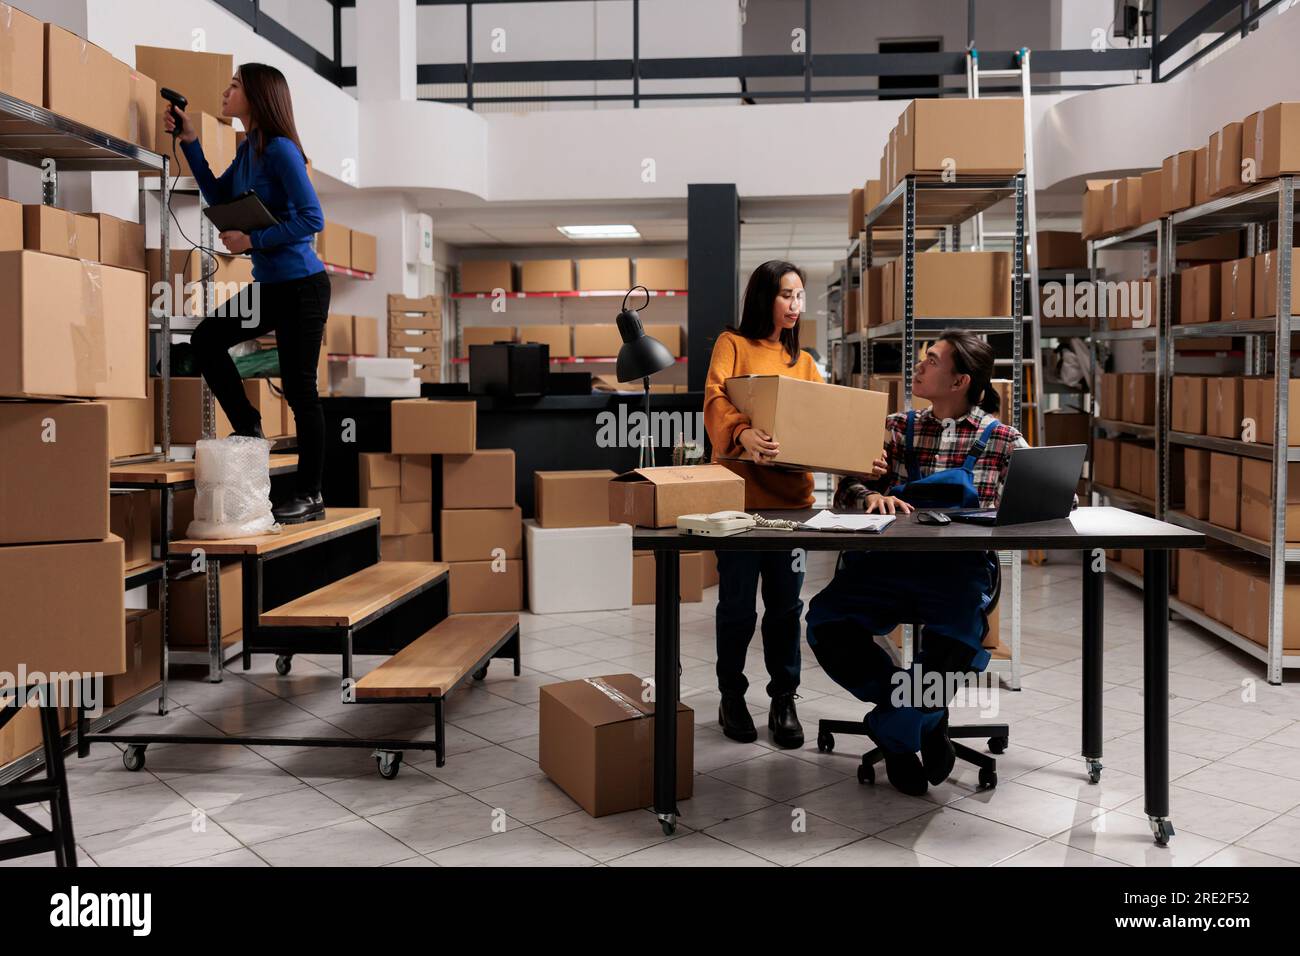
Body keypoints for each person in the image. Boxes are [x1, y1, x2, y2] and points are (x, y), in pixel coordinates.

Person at [807, 330, 1026, 796]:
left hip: (957, 574)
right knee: (826, 622)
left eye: (931, 360)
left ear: (959, 380)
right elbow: (847, 484)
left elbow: (1049, 499)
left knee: (955, 645)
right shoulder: (895, 426)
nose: (918, 366)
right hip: (886, 566)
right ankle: (922, 719)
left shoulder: (1003, 440)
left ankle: (897, 733)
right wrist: (870, 493)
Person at [704, 261, 878, 747]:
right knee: (737, 606)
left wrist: (859, 454)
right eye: (786, 295)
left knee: (784, 608)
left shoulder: (803, 361)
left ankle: (784, 699)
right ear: (764, 298)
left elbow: (825, 423)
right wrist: (742, 431)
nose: (795, 305)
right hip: (738, 502)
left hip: (793, 506)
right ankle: (731, 696)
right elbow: (715, 399)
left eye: (800, 296)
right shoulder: (732, 344)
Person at [165, 63, 329, 524]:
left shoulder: (280, 151)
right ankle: (249, 427)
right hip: (272, 287)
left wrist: (252, 241)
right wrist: (191, 141)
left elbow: (313, 218)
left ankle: (312, 495)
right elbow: (218, 196)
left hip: (302, 287)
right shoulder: (249, 151)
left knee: (301, 389)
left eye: (234, 85)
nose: (225, 90)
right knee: (206, 340)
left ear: (256, 96)